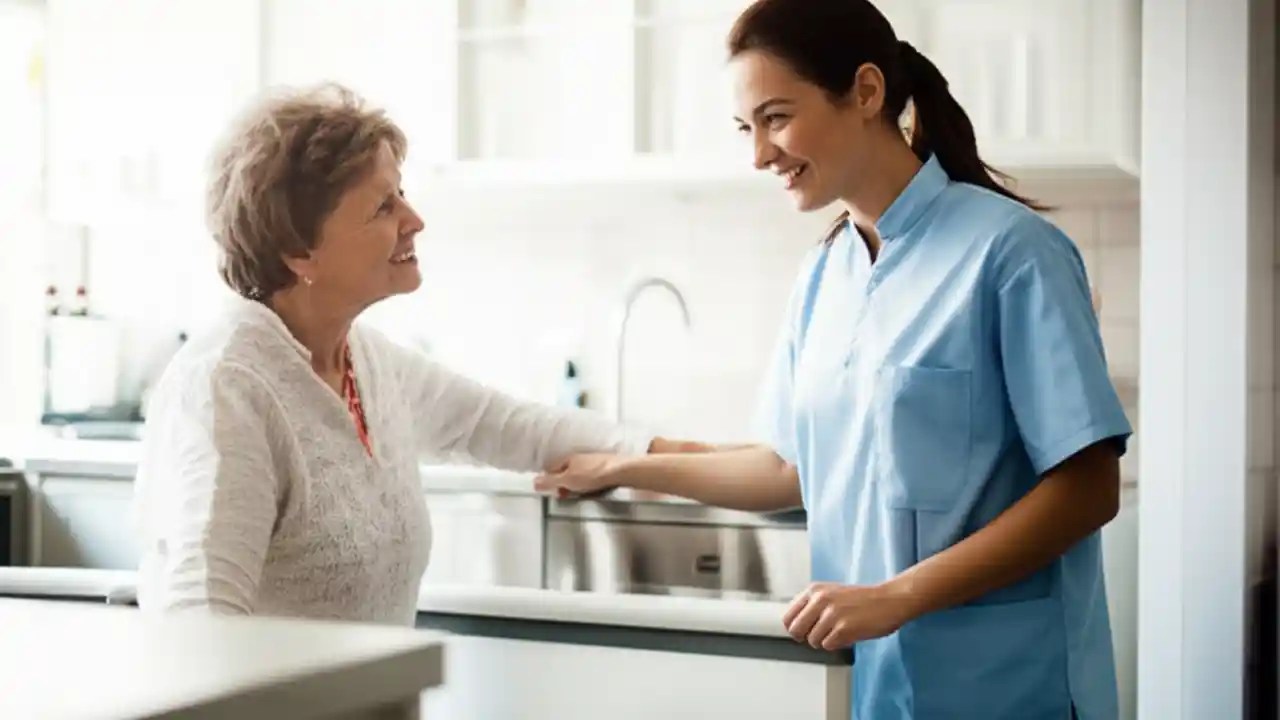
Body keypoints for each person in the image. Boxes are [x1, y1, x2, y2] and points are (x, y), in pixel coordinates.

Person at [535, 0, 1131, 717]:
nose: (759, 154)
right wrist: (628, 466)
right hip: (872, 686)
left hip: (1004, 686)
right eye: (745, 128)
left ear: (867, 92)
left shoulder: (1011, 254)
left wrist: (895, 597)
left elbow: (1089, 488)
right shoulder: (824, 276)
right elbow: (787, 467)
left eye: (777, 117)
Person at [132, 84, 682, 625]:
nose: (413, 219)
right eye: (382, 206)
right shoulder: (228, 389)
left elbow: (504, 425)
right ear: (299, 249)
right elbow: (198, 626)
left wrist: (680, 457)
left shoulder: (365, 362)